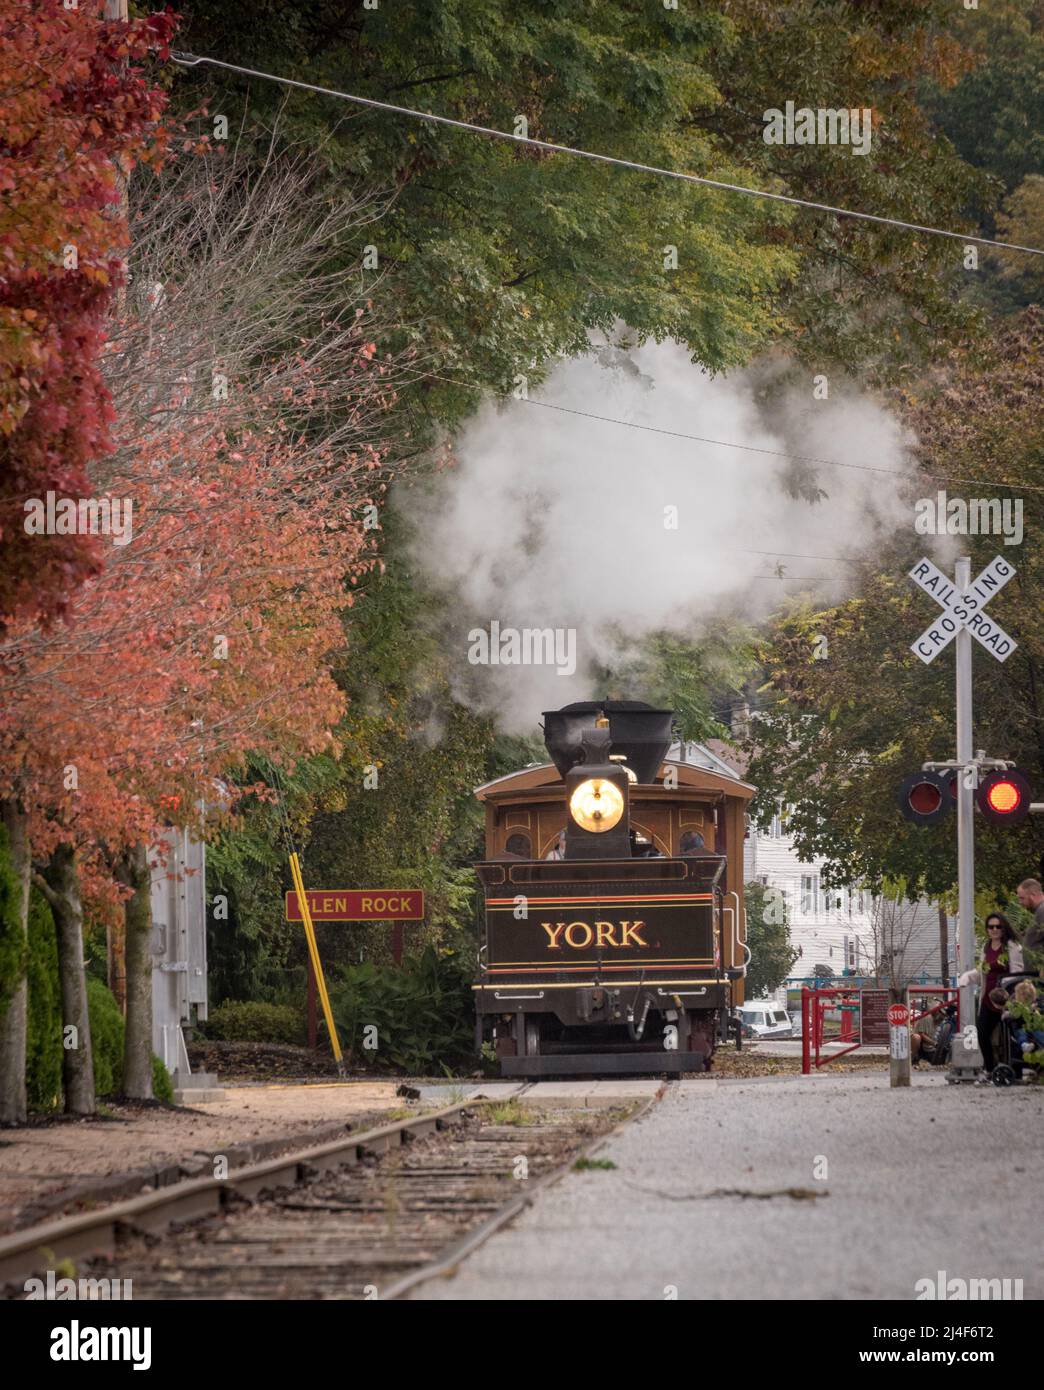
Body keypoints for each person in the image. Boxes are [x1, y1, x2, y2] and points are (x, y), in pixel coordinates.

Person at [958, 912, 1025, 1074]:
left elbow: (1017, 973)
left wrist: (1012, 997)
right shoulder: (986, 947)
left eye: (998, 926)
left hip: (1006, 999)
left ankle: (1017, 1070)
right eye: (991, 927)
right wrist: (967, 978)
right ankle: (991, 1069)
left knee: (1013, 1035)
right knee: (981, 1033)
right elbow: (982, 973)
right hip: (988, 999)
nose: (994, 929)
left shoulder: (1011, 946)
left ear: (1003, 928)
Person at [1016, 879, 1044, 973]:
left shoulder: (1042, 911)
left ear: (1033, 895)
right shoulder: (1038, 911)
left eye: (1022, 898)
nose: (1020, 902)